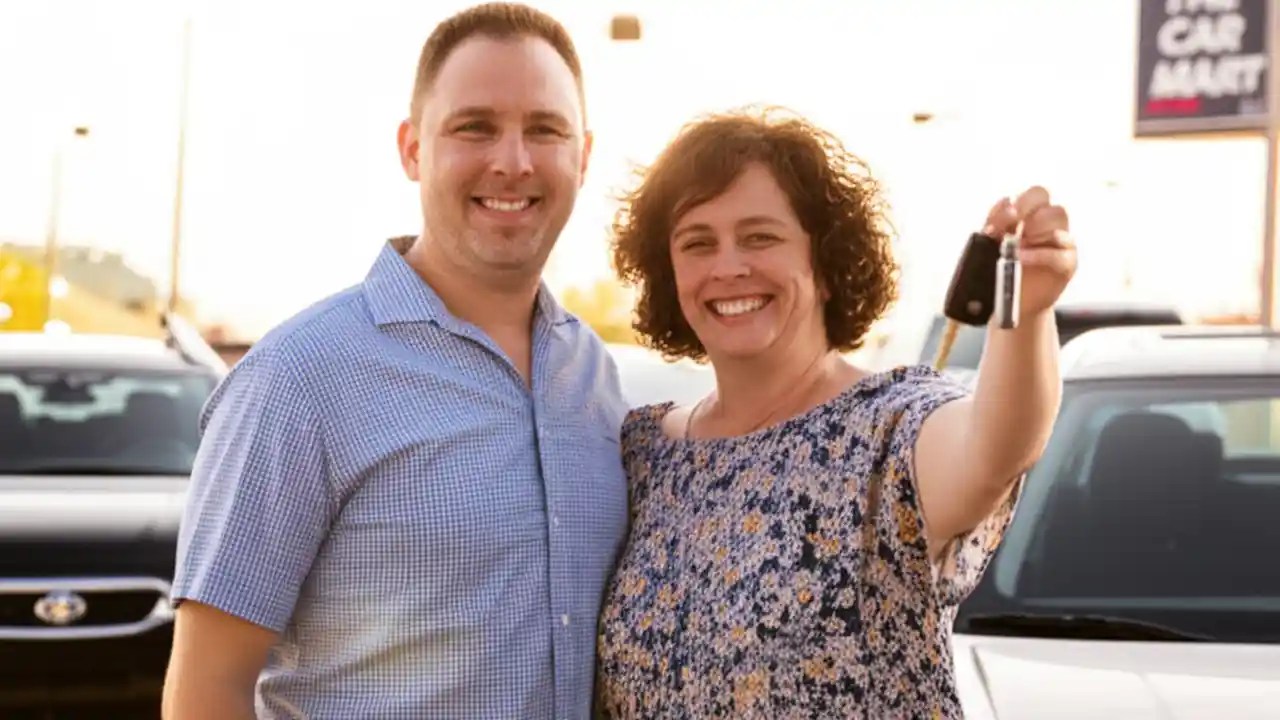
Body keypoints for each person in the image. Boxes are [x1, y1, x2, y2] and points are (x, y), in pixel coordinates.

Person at [161, 4, 629, 719]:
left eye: (545, 129)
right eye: (474, 127)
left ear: (583, 155)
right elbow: (206, 690)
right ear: (412, 148)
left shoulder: (591, 376)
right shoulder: (299, 379)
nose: (512, 161)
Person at [595, 107, 1077, 718]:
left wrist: (1026, 313)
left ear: (825, 265)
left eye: (760, 236)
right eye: (698, 243)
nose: (728, 265)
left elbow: (996, 446)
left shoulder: (887, 429)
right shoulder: (644, 452)